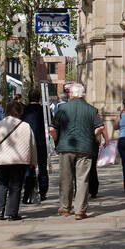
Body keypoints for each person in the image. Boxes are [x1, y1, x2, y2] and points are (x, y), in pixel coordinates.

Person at [48, 82, 105, 220]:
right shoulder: (92, 110)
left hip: (66, 147)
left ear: (71, 94)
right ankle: (80, 210)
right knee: (82, 179)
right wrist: (93, 137)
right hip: (85, 148)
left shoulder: (62, 109)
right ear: (83, 94)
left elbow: (52, 129)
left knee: (66, 178)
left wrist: (57, 141)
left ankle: (65, 207)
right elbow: (100, 127)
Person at [0, 101, 37, 222]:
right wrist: (34, 161)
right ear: (20, 111)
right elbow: (33, 145)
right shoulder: (26, 126)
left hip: (2, 160)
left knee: (2, 184)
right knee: (15, 186)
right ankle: (12, 213)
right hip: (20, 160)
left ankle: (0, 210)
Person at [21, 88, 49, 201]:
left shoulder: (24, 110)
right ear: (40, 98)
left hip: (26, 141)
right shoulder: (44, 110)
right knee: (42, 166)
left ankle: (28, 190)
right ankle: (43, 191)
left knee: (27, 166)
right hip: (41, 141)